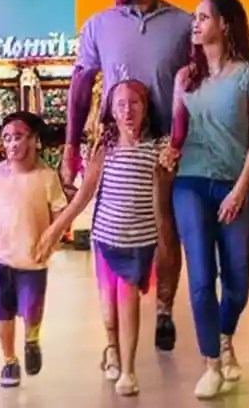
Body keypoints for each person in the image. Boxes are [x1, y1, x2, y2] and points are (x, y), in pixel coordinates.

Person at [63, 0, 191, 351]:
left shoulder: (183, 24)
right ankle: (114, 330)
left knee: (165, 226)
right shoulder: (98, 25)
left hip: (166, 145)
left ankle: (165, 309)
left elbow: (196, 87)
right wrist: (69, 146)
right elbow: (80, 86)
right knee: (109, 224)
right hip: (113, 143)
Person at [37, 80, 172, 397]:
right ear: (111, 110)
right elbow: (83, 197)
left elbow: (163, 200)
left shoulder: (155, 148)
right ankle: (111, 349)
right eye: (121, 104)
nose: (128, 110)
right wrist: (55, 229)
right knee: (109, 313)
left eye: (135, 103)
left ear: (145, 107)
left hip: (139, 241)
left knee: (128, 303)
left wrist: (166, 240)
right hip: (105, 240)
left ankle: (128, 369)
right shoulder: (103, 150)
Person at [167, 0, 249, 400]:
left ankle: (224, 338)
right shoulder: (185, 78)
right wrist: (167, 150)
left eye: (203, 17)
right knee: (201, 278)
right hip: (189, 182)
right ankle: (211, 361)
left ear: (224, 24)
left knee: (239, 283)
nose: (195, 23)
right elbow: (177, 133)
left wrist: (241, 190)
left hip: (235, 183)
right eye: (194, 17)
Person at [0, 111, 68, 388]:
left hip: (33, 260)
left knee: (32, 309)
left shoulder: (47, 177)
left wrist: (54, 239)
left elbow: (60, 213)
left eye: (18, 137)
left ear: (34, 140)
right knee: (2, 312)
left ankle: (32, 340)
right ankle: (9, 360)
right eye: (6, 138)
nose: (12, 144)